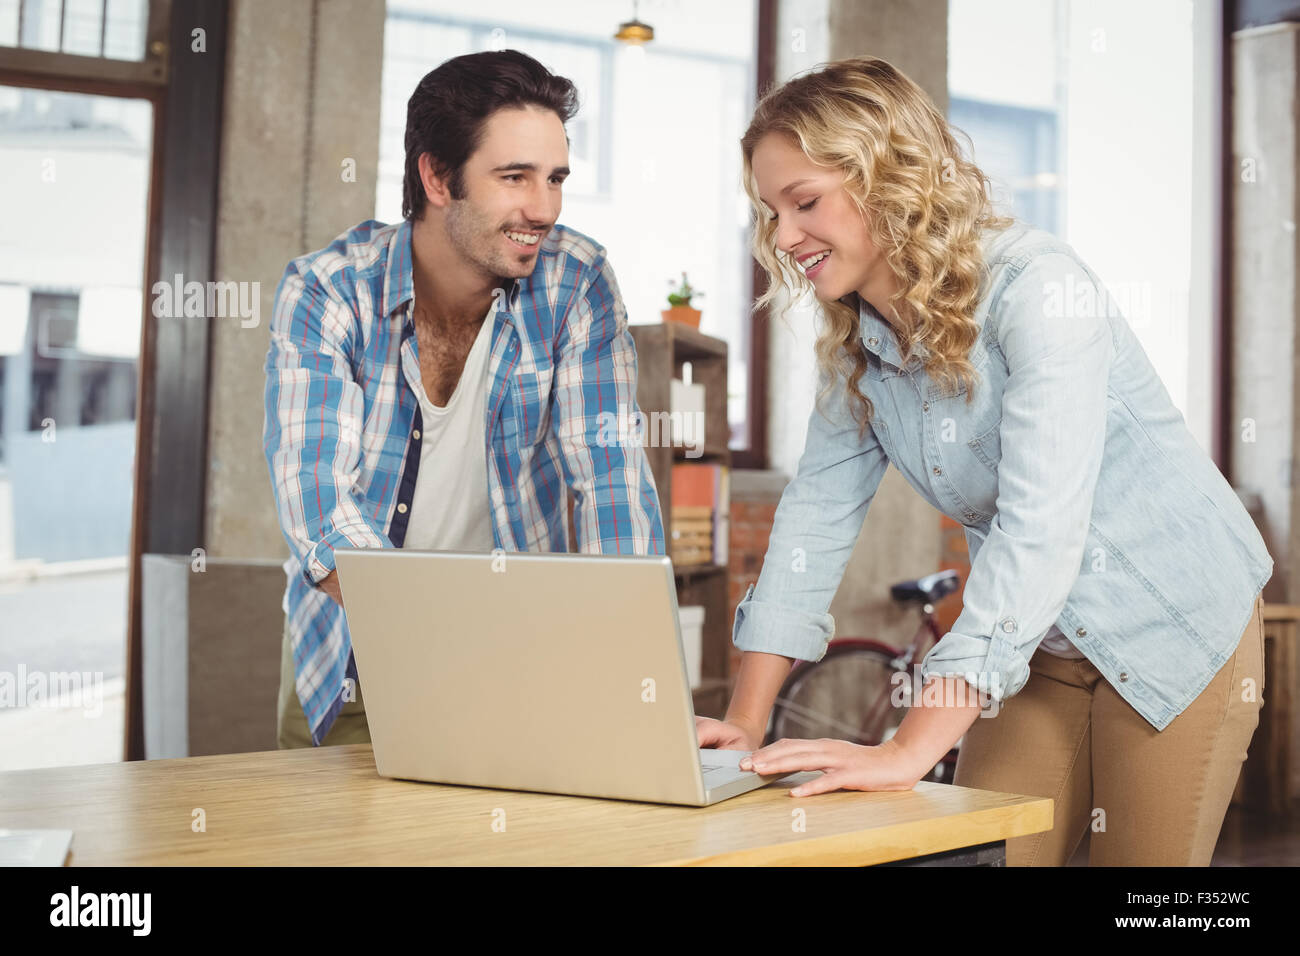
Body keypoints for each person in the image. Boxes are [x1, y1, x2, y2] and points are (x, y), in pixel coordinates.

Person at [696, 55, 1273, 866]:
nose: (785, 238)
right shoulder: (856, 347)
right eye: (771, 211)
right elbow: (812, 523)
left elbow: (1040, 530)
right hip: (1036, 644)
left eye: (805, 203)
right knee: (987, 853)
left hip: (1174, 625)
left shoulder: (1038, 291)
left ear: (887, 178)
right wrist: (746, 727)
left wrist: (907, 749)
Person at [263, 50, 665, 750]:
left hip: (520, 663)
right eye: (514, 178)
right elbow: (319, 505)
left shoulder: (577, 282)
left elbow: (610, 483)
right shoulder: (329, 291)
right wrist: (446, 636)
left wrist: (629, 671)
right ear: (438, 176)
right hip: (355, 656)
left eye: (555, 179)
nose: (542, 209)